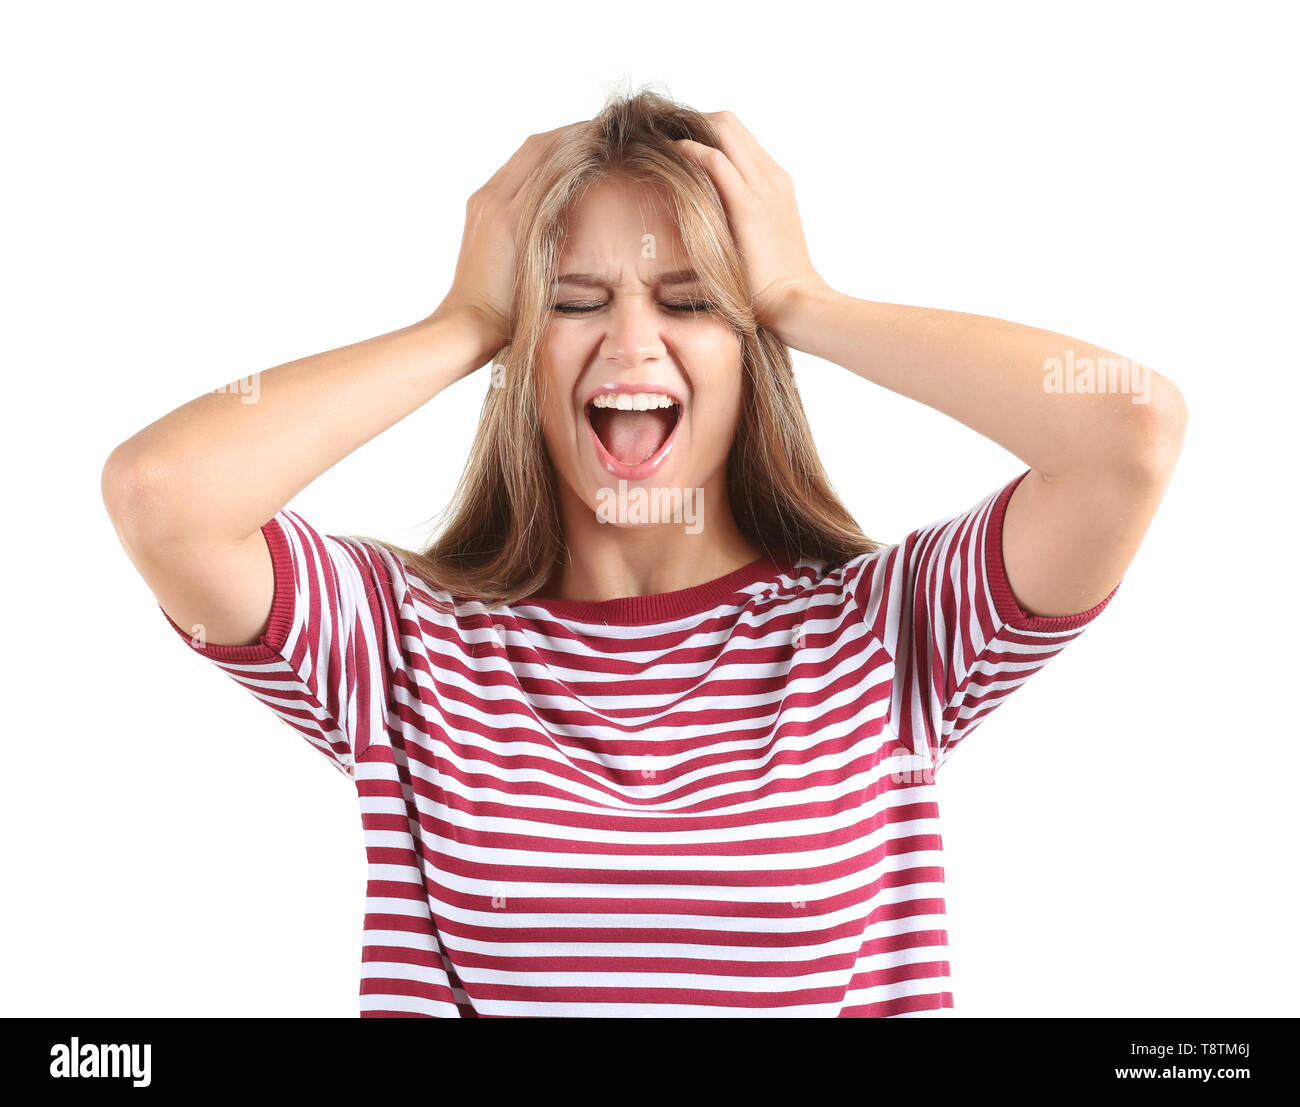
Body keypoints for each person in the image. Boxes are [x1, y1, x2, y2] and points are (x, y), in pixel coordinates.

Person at [101, 88, 1187, 1017]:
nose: (629, 343)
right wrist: (469, 317)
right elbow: (164, 497)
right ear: (525, 358)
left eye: (689, 301)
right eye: (573, 302)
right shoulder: (400, 644)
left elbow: (1125, 436)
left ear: (751, 355)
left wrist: (806, 300)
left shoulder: (888, 630)